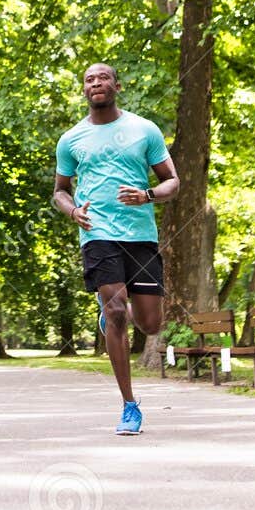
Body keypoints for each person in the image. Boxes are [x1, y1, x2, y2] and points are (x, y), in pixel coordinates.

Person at [53, 64, 178, 435]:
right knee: (117, 308)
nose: (96, 84)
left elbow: (172, 180)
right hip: (98, 233)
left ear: (117, 86)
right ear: (84, 90)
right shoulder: (71, 139)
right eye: (89, 80)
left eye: (103, 78)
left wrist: (147, 195)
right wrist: (73, 210)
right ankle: (129, 405)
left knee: (151, 323)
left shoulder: (144, 130)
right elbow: (60, 190)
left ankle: (112, 318)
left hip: (140, 236)